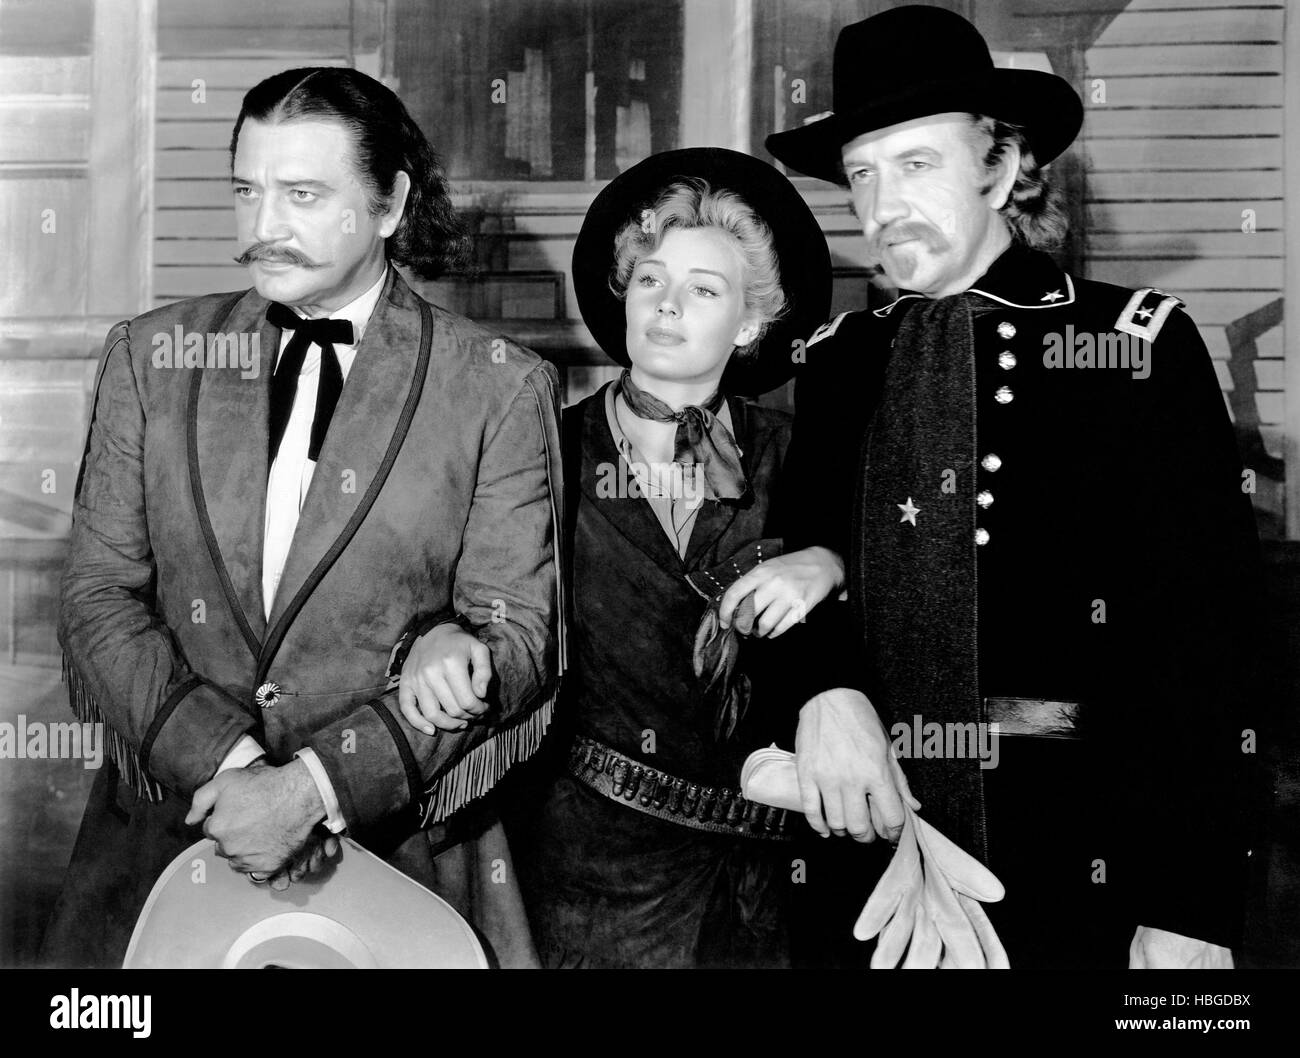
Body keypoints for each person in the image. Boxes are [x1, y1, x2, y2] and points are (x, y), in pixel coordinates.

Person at [752, 6, 1264, 969]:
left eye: (916, 164)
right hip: (871, 862)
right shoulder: (838, 361)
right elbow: (791, 565)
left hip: (1085, 861)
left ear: (1001, 165)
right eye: (861, 172)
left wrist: (1190, 904)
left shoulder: (1133, 345)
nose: (881, 204)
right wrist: (823, 693)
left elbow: (1207, 640)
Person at [43, 66, 562, 969]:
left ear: (392, 203)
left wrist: (320, 786)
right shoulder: (151, 357)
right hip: (167, 844)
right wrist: (244, 780)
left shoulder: (501, 386)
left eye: (304, 194)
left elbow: (519, 643)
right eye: (248, 190)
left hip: (395, 861)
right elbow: (98, 596)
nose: (264, 228)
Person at [401, 148, 839, 967]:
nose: (668, 305)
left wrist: (832, 564)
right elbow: (441, 595)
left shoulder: (801, 459)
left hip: (770, 880)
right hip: (583, 872)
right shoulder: (540, 448)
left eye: (704, 289)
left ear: (750, 324)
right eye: (649, 280)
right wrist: (434, 638)